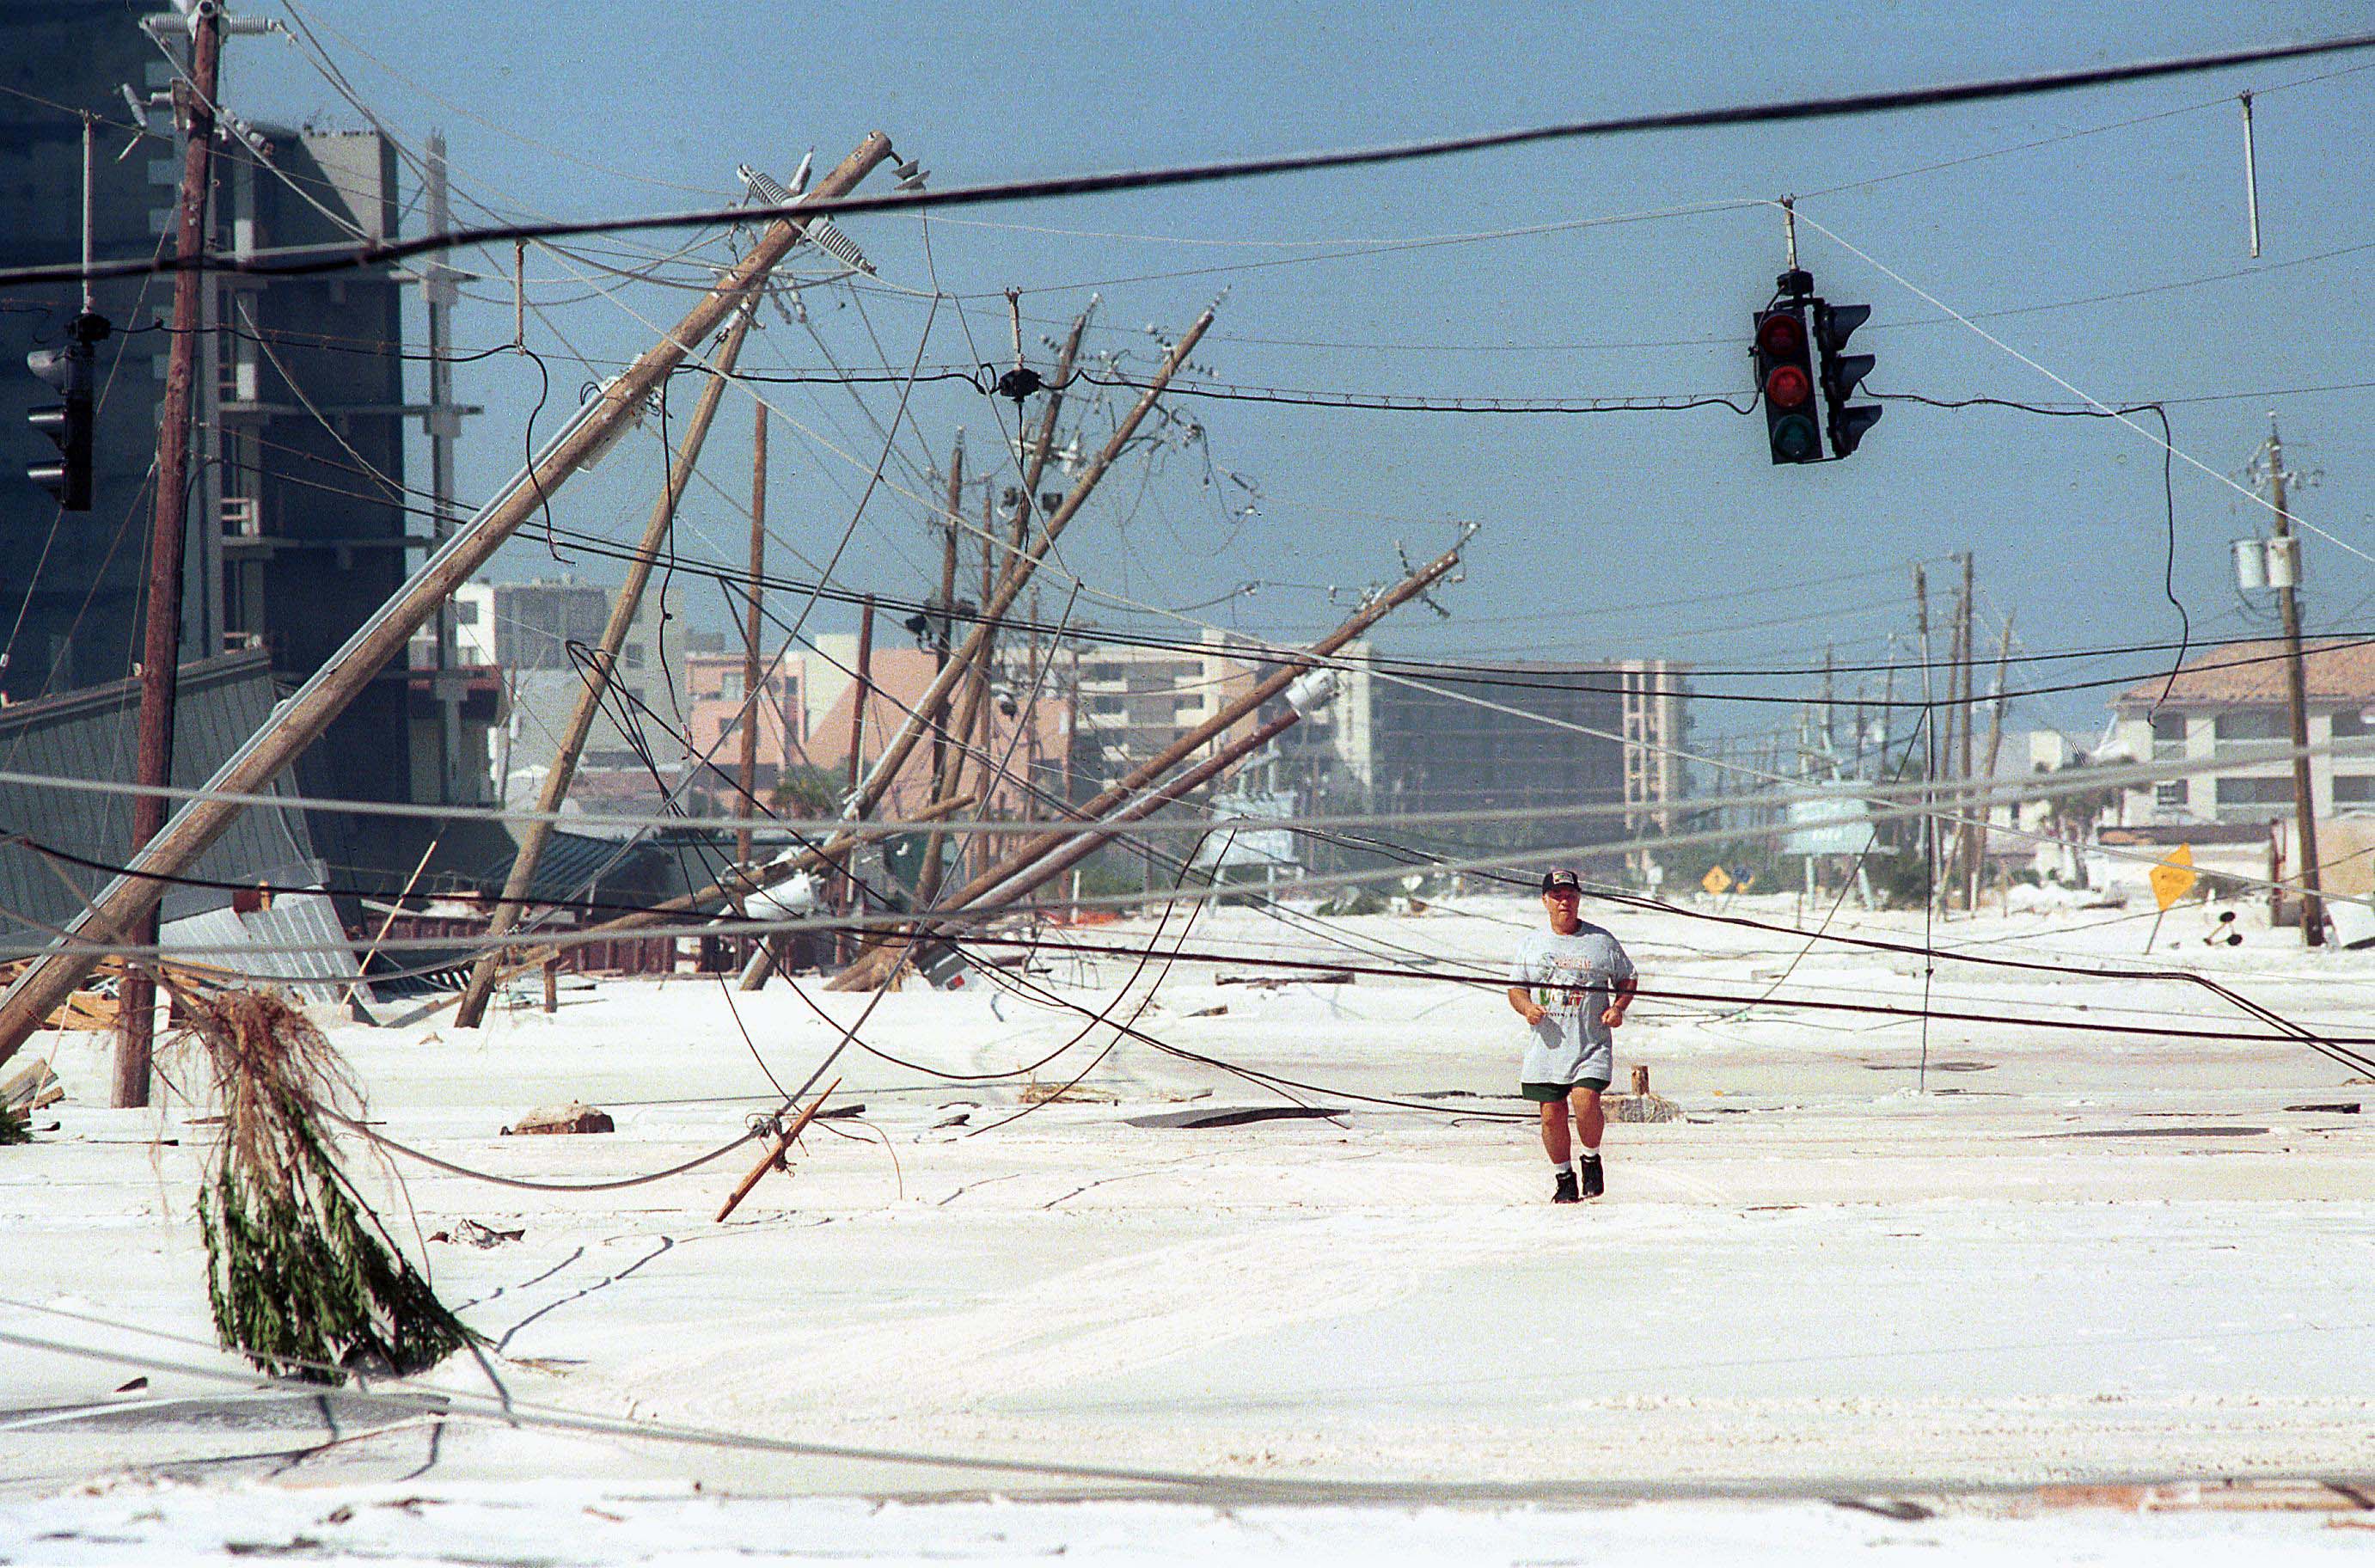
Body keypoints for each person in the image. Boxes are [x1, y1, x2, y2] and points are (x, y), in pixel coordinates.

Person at [1508, 867, 1637, 1204]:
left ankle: (1591, 1158)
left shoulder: (1601, 942)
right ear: (1545, 901)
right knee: (1550, 1115)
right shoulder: (1532, 944)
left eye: (1570, 896)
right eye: (1557, 897)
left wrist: (1618, 1007)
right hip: (1547, 1046)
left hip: (1589, 1043)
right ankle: (1564, 1177)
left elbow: (1627, 978)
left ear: (1578, 899)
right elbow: (1515, 989)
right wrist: (1527, 1009)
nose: (1564, 902)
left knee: (1585, 1100)